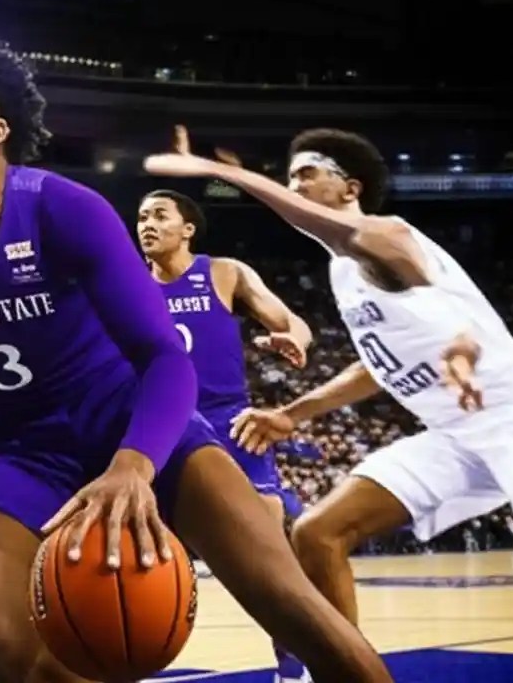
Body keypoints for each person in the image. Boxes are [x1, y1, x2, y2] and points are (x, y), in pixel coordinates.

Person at [0, 33, 393, 683]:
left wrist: (135, 465)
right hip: (18, 449)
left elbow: (164, 355)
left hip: (132, 424)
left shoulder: (61, 208)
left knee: (296, 607)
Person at [144, 126, 513, 625]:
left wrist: (223, 172)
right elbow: (381, 366)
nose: (296, 186)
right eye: (291, 177)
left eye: (307, 173)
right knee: (318, 534)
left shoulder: (389, 235)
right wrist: (293, 414)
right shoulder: (343, 273)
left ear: (351, 188)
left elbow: (463, 333)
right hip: (453, 435)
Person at [135, 164, 315, 681]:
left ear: (187, 228)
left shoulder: (224, 273)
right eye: (142, 216)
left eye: (159, 216)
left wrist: (295, 340)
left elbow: (289, 320)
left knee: (269, 555)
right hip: (159, 426)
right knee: (139, 558)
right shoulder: (126, 283)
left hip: (231, 424)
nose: (146, 224)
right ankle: (126, 657)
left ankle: (293, 668)